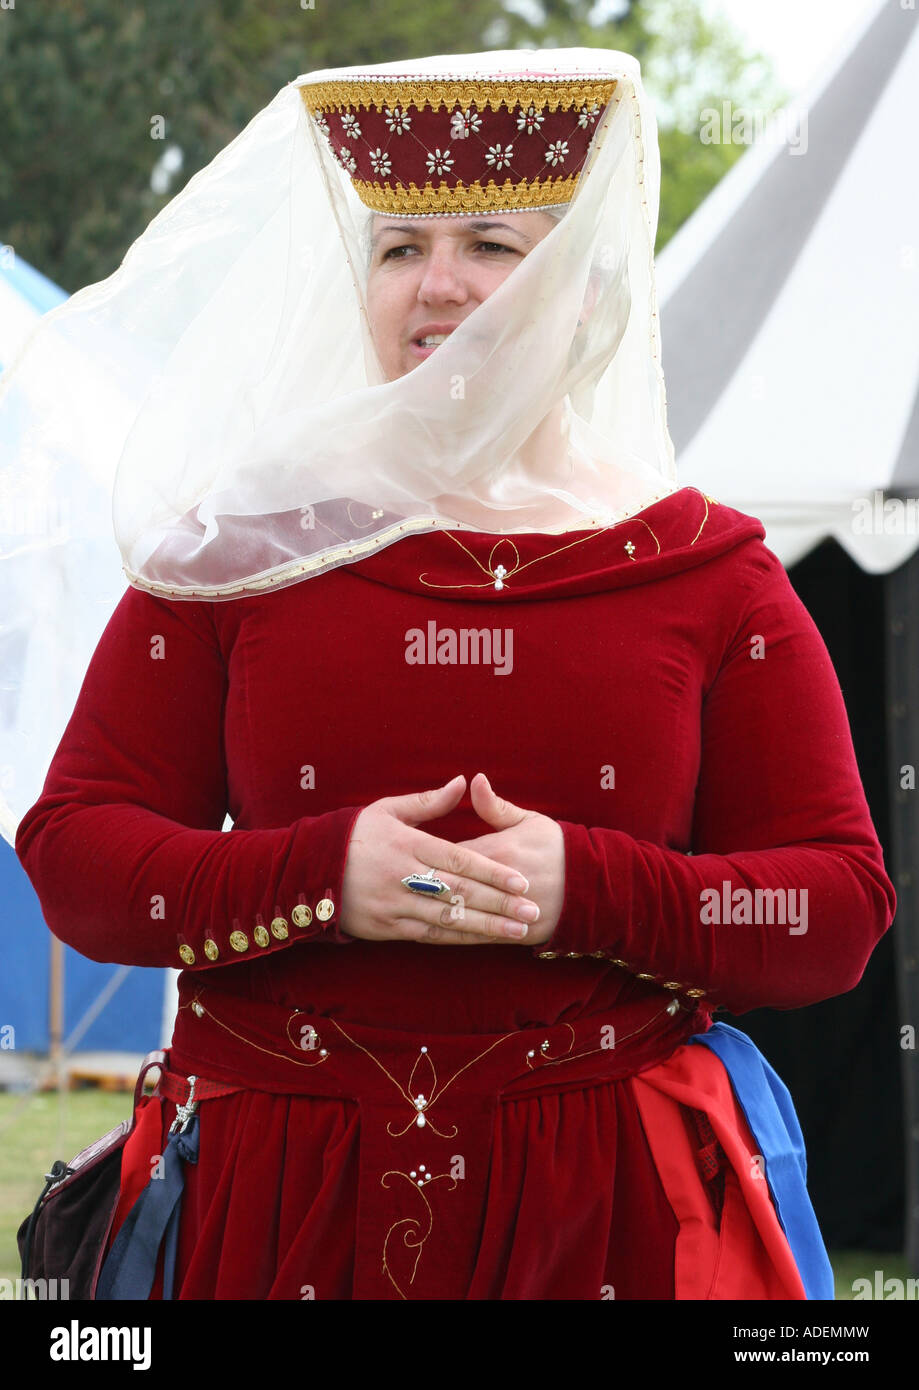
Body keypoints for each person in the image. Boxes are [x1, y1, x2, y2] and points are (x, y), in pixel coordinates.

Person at [9, 47, 896, 1301]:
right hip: (279, 1207)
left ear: (585, 294)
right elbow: (77, 857)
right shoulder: (237, 557)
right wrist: (320, 876)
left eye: (490, 242)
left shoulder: (710, 575)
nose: (436, 286)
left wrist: (587, 889)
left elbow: (833, 909)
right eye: (396, 246)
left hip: (609, 1212)